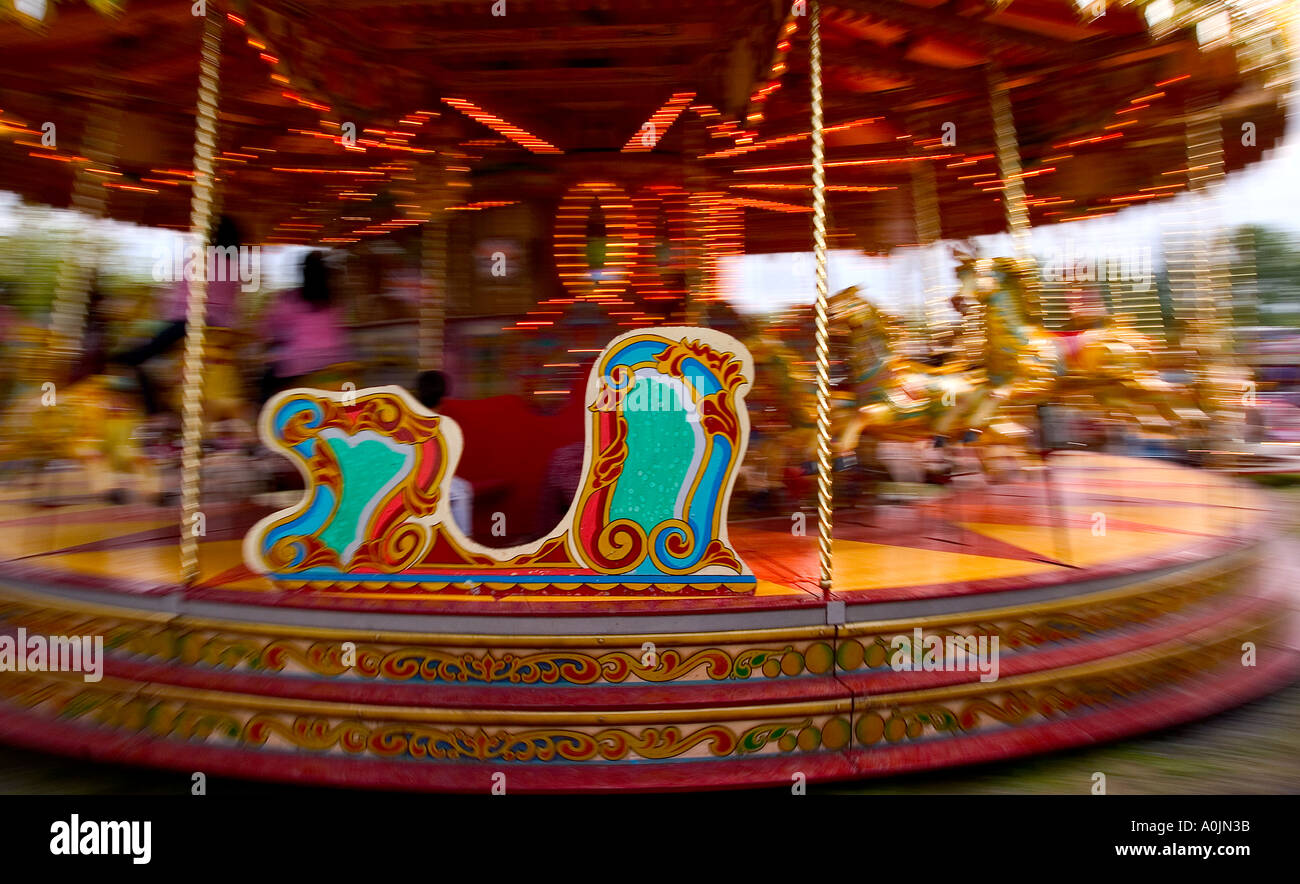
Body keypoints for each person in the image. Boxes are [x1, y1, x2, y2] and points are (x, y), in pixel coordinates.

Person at [112, 215, 244, 416]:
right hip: (220, 333)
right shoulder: (236, 267)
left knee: (135, 358)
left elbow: (176, 301)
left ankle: (152, 410)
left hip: (187, 326)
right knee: (150, 349)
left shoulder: (198, 260)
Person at [260, 250, 350, 400]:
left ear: (302, 272)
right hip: (335, 363)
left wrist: (272, 339)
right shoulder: (335, 302)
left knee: (266, 383)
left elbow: (266, 329)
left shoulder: (290, 298)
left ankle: (266, 417)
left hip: (300, 366)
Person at [414, 369, 473, 538]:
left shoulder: (429, 416)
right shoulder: (429, 418)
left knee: (463, 489)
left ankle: (458, 537)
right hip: (421, 477)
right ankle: (465, 538)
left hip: (427, 473)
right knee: (460, 494)